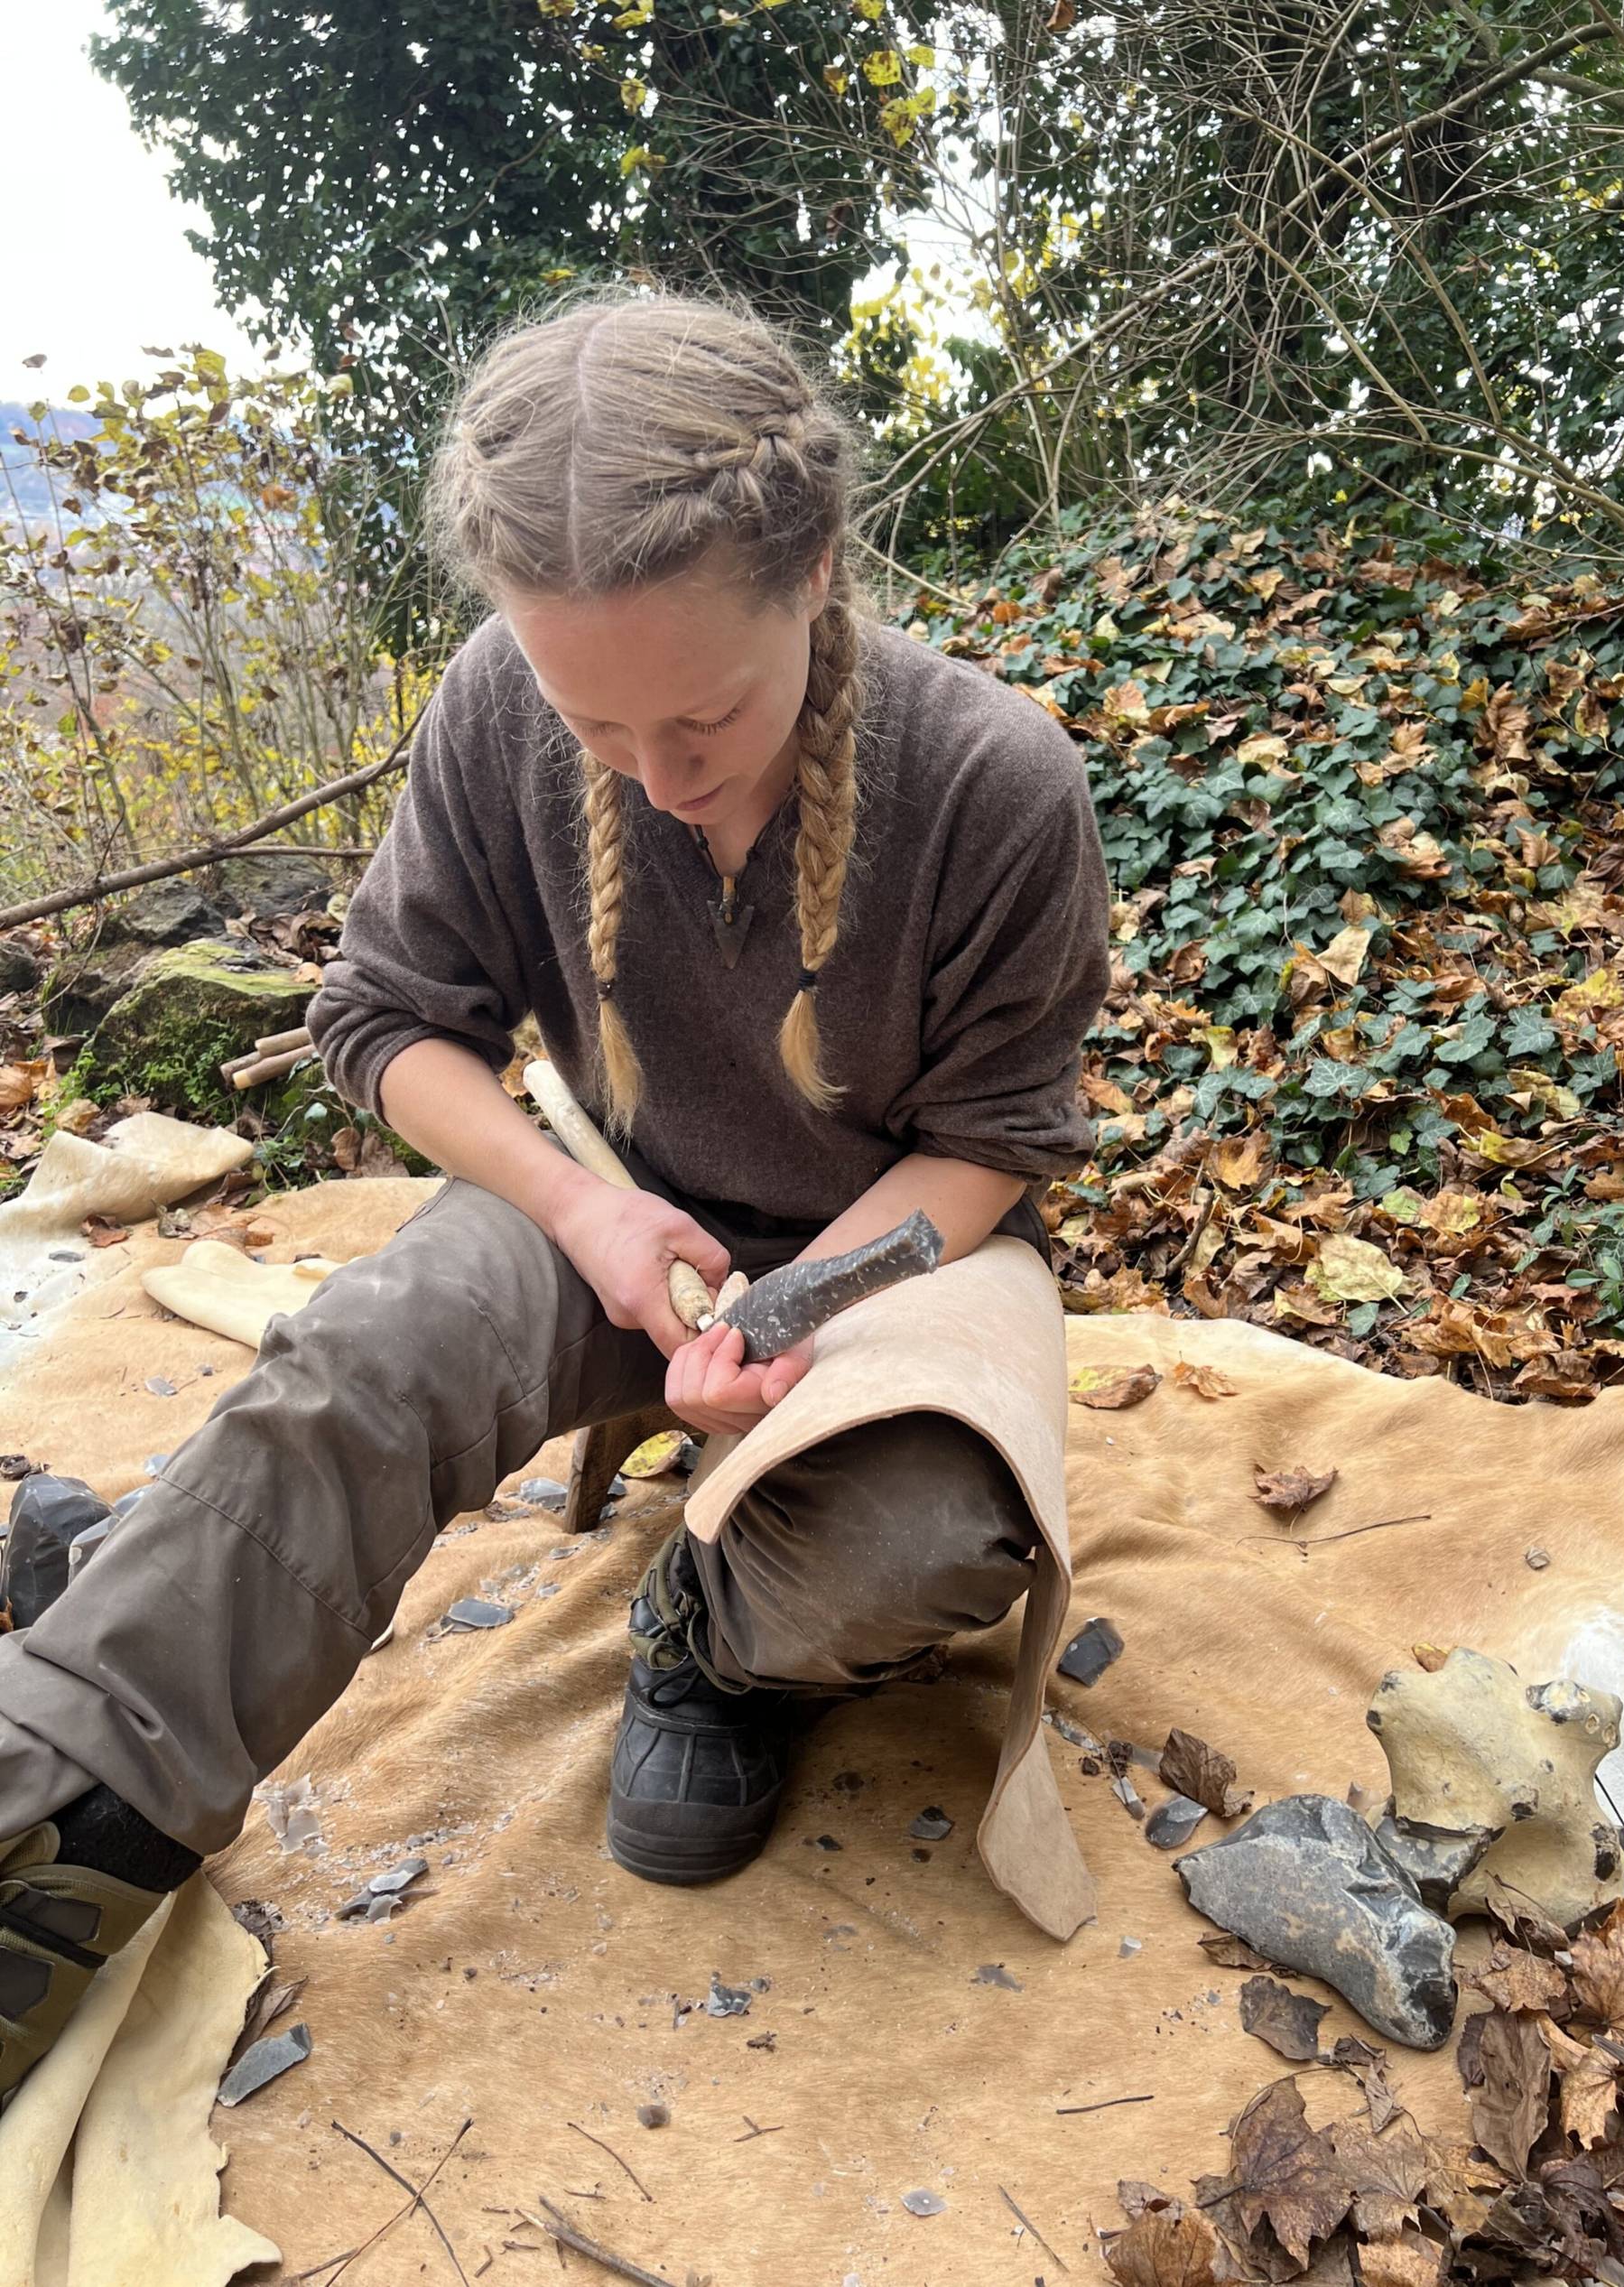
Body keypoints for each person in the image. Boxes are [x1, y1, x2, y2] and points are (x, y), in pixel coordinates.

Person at [0, 289, 1110, 2098]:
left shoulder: (995, 781)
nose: (659, 783)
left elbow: (990, 1142)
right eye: (597, 726)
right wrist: (586, 1217)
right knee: (365, 1357)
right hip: (601, 1201)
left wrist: (786, 1313)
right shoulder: (495, 707)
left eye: (705, 715)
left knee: (931, 1541)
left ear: (815, 565)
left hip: (899, 1245)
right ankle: (58, 1820)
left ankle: (709, 1632)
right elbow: (383, 1024)